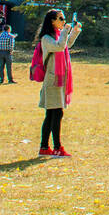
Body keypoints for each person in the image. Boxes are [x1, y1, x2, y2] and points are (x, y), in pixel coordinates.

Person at [34, 9, 81, 157]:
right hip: (52, 79)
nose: (63, 21)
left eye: (63, 19)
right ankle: (57, 147)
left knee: (52, 114)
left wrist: (74, 31)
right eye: (60, 19)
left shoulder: (58, 36)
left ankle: (44, 147)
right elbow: (60, 46)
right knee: (56, 113)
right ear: (52, 21)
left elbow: (67, 45)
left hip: (60, 79)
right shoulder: (46, 39)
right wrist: (66, 31)